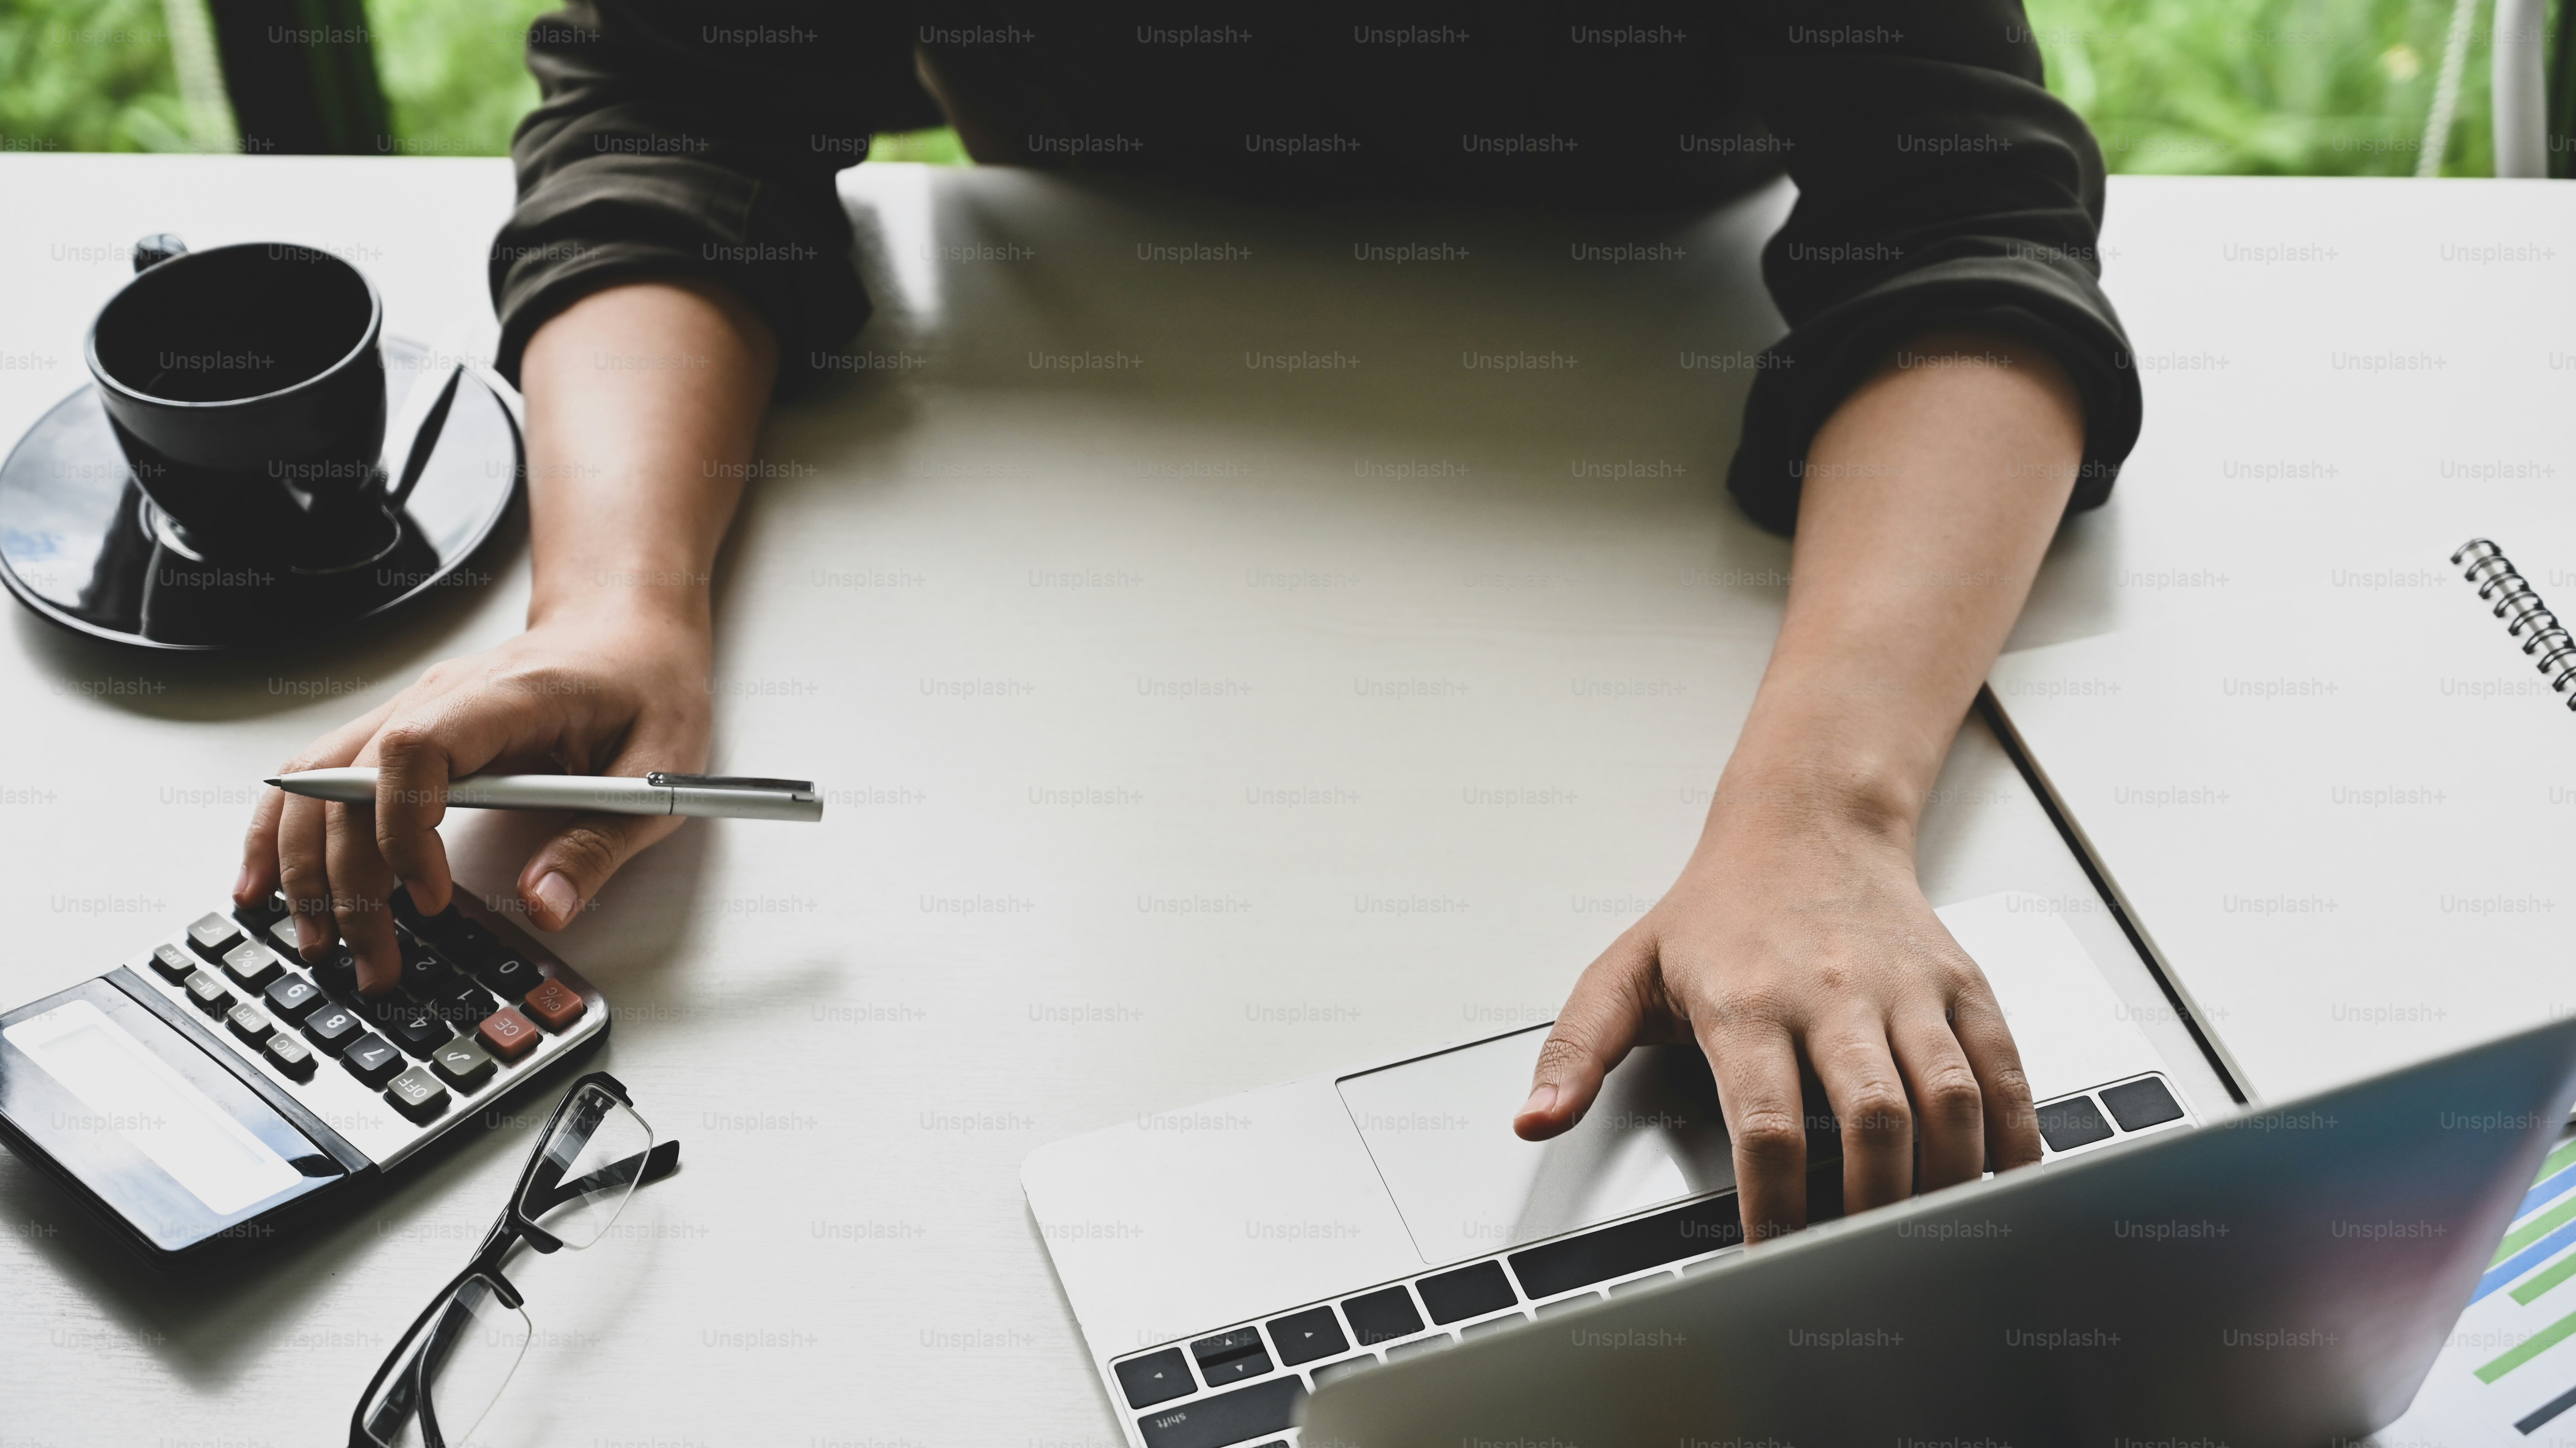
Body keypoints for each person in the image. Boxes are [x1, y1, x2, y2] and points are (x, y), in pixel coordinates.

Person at [237, 3, 2141, 1244]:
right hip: (1087, 414)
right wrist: (619, 599)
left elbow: (1960, 228)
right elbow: (677, 108)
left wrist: (1826, 808)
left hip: (1629, 349)